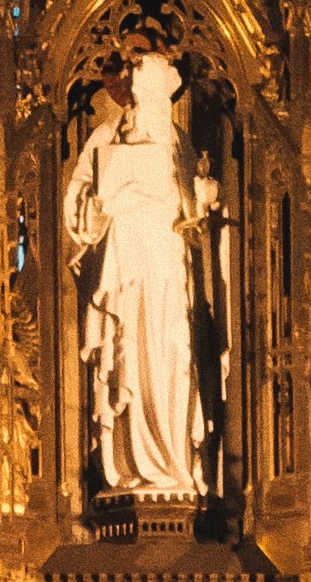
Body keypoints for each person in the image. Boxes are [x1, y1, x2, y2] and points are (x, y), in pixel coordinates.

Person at [68, 42, 217, 500]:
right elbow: (77, 215)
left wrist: (202, 199)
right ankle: (131, 467)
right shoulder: (105, 142)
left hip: (168, 273)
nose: (151, 113)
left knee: (173, 359)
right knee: (127, 358)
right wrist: (102, 206)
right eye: (144, 100)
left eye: (159, 103)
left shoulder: (179, 145)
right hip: (126, 274)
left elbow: (195, 218)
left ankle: (174, 465)